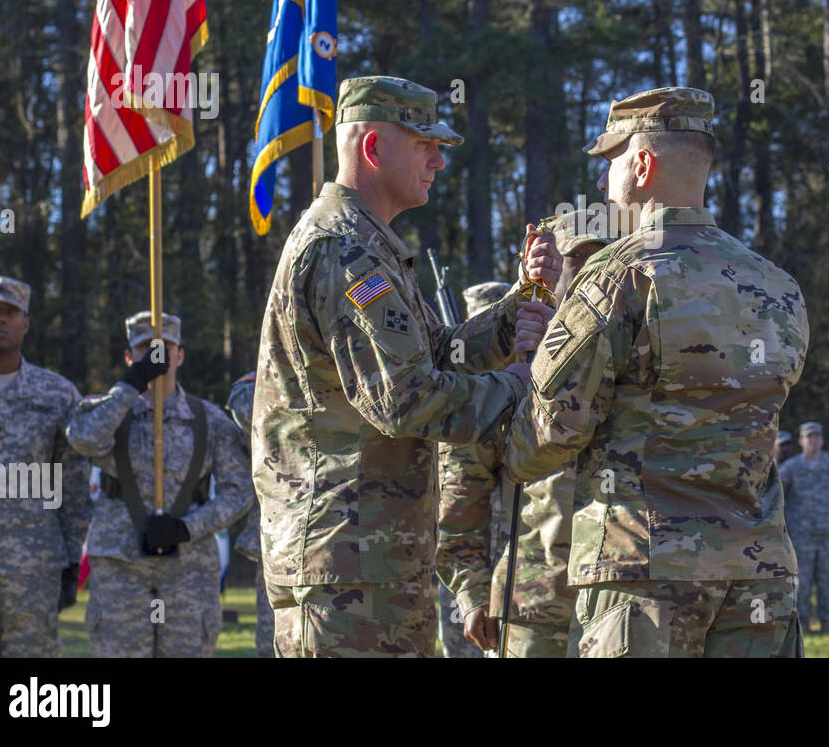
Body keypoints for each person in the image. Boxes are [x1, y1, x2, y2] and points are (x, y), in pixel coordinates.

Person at [253, 75, 559, 657]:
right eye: (426, 146)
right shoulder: (347, 252)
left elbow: (441, 357)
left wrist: (520, 300)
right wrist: (519, 387)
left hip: (370, 558)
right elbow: (404, 398)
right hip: (347, 566)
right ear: (374, 148)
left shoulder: (370, 247)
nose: (439, 162)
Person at [504, 86, 810, 658]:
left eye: (610, 162)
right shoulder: (778, 285)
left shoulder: (616, 276)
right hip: (758, 576)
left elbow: (547, 437)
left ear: (642, 164)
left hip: (642, 577)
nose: (601, 184)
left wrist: (523, 376)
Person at [438, 212, 610, 657]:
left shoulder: (633, 346)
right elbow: (461, 487)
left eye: (600, 260)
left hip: (623, 596)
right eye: (577, 261)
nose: (590, 273)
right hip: (535, 604)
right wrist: (471, 590)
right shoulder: (512, 366)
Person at [67, 311, 252, 657]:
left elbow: (239, 490)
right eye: (145, 350)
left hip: (189, 573)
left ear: (180, 355)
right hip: (121, 572)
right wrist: (132, 383)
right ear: (129, 356)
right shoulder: (105, 412)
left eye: (164, 348)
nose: (156, 356)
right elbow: (85, 441)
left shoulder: (209, 420)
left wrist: (187, 528)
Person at [0, 276, 91, 657]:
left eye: (9, 312)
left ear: (26, 323)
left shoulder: (57, 394)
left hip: (34, 571)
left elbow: (74, 487)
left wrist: (70, 563)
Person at [434, 280, 510, 660]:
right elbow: (458, 509)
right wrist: (473, 593)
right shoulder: (472, 398)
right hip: (478, 569)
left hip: (515, 578)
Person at [225, 371, 273, 657]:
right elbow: (245, 407)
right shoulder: (265, 377)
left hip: (350, 534)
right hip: (279, 542)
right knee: (274, 642)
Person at [779, 421, 829, 633]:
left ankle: (827, 622)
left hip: (828, 534)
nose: (813, 441)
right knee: (802, 582)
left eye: (816, 437)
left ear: (822, 440)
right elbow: (778, 497)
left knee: (828, 581)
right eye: (809, 437)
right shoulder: (791, 468)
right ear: (801, 441)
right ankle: (803, 623)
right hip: (801, 534)